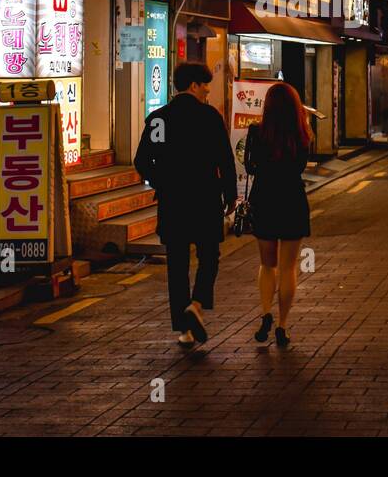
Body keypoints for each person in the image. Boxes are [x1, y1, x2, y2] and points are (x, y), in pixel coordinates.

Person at [134, 62, 237, 348]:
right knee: (209, 256)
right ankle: (197, 303)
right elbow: (224, 160)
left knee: (177, 264)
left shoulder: (159, 119)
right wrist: (231, 196)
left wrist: (162, 181)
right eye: (205, 85)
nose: (207, 90)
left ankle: (184, 330)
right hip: (205, 199)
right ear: (193, 85)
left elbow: (142, 161)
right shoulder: (209, 117)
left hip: (172, 202)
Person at [244, 82, 313, 348]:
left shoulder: (256, 132)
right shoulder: (302, 133)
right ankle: (283, 326)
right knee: (288, 268)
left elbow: (250, 167)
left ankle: (266, 312)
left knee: (267, 264)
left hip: (265, 199)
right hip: (292, 200)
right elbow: (300, 165)